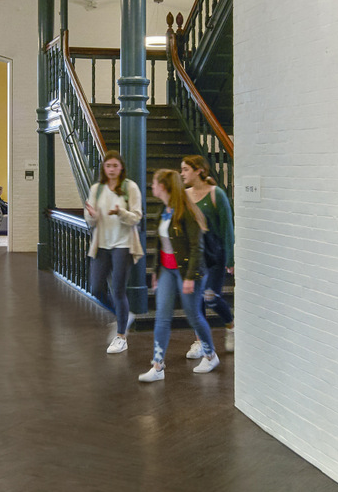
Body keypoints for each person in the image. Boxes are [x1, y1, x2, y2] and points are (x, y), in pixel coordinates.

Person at [141, 169, 221, 382]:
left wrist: (190, 277)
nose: (152, 186)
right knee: (162, 316)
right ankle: (158, 366)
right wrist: (156, 271)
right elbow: (161, 245)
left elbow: (197, 247)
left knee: (193, 314)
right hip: (167, 269)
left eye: (155, 183)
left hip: (188, 271)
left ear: (164, 186)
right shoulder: (163, 210)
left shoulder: (186, 212)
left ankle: (210, 355)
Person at [87, 153, 143, 350]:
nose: (111, 169)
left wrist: (121, 212)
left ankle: (121, 336)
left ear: (121, 168)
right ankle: (123, 315)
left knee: (118, 289)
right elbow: (90, 219)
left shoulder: (130, 187)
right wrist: (92, 215)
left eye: (115, 166)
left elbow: (136, 217)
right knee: (96, 288)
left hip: (123, 244)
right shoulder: (97, 189)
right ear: (104, 168)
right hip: (102, 244)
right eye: (108, 165)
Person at [179, 156, 234, 354]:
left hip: (215, 255)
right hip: (195, 256)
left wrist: (231, 259)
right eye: (181, 170)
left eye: (186, 169)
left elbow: (227, 228)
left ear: (199, 170)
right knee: (196, 301)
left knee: (210, 297)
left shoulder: (216, 194)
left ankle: (230, 325)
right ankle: (201, 341)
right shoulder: (184, 195)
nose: (182, 174)